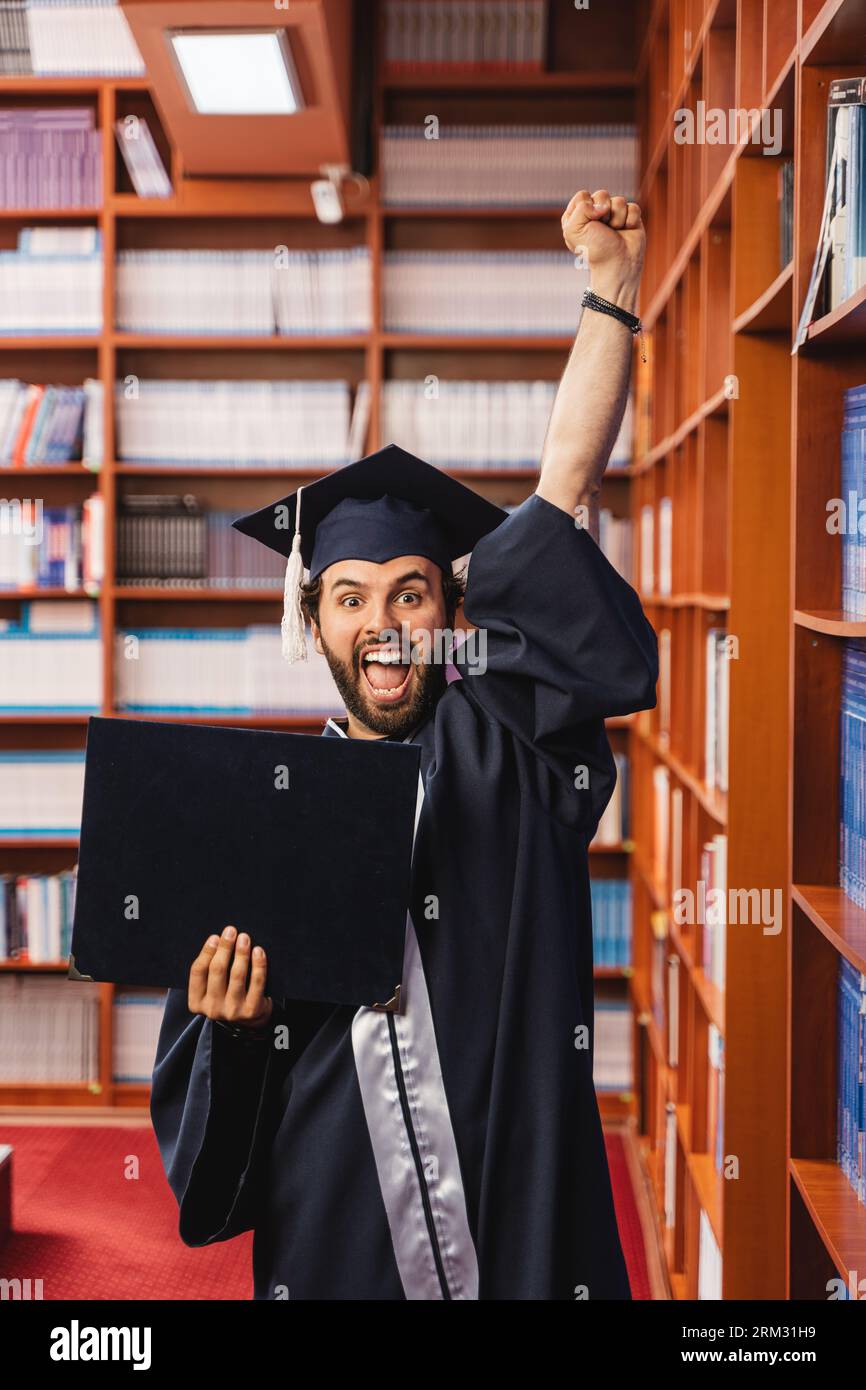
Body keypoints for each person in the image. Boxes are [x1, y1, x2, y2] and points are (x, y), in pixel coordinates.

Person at [150, 189, 658, 1300]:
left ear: (451, 612)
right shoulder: (263, 810)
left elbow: (559, 494)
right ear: (312, 623)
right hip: (343, 1244)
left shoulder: (509, 746)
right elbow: (209, 1157)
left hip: (522, 1231)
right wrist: (232, 1032)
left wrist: (609, 292)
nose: (380, 621)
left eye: (409, 592)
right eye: (347, 596)